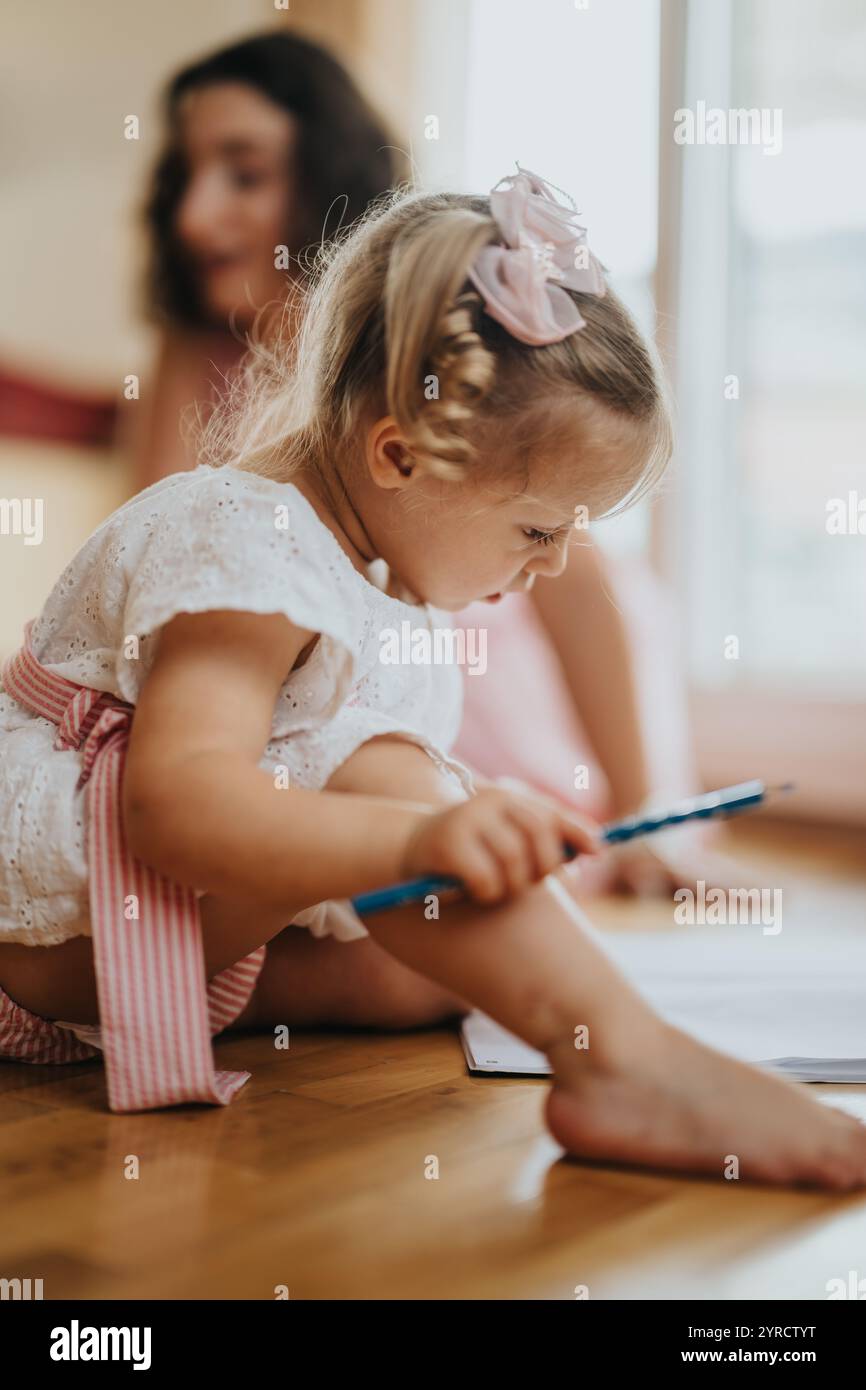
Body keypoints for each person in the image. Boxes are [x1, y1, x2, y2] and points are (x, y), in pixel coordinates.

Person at [5, 168, 861, 1188]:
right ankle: (627, 1061)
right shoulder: (243, 547)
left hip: (139, 930)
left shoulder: (354, 554)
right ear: (397, 456)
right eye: (535, 529)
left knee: (425, 970)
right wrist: (418, 833)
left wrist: (438, 852)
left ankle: (604, 1033)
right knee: (377, 774)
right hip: (37, 929)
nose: (548, 566)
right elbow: (178, 810)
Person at [131, 29, 404, 487]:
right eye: (183, 178)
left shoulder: (409, 357)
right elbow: (146, 539)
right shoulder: (192, 349)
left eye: (246, 176)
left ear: (331, 186)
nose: (191, 218)